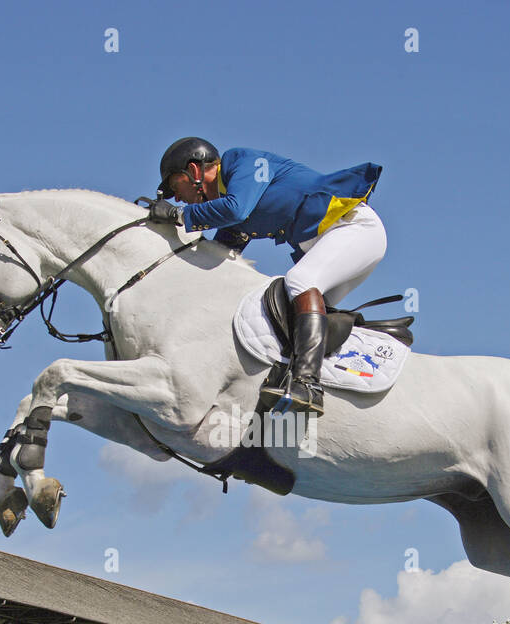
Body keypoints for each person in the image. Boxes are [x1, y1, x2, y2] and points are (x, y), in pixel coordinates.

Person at [150, 137, 386, 416]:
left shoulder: (240, 161)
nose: (177, 198)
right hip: (329, 243)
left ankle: (307, 385)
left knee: (299, 280)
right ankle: (333, 379)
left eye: (176, 186)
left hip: (354, 228)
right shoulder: (230, 211)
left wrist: (178, 215)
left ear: (195, 170)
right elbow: (219, 258)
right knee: (293, 318)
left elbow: (236, 209)